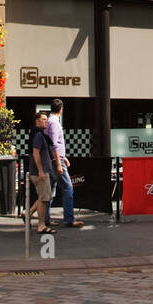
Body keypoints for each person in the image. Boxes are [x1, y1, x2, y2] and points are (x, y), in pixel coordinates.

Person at [46, 98, 84, 228]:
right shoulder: (54, 123)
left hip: (54, 159)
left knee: (50, 190)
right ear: (61, 109)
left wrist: (63, 157)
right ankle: (69, 218)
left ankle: (45, 218)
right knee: (68, 187)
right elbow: (54, 145)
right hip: (55, 160)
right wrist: (58, 162)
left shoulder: (50, 121)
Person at [25, 110, 57, 231]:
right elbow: (36, 153)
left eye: (46, 120)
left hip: (43, 171)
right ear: (37, 122)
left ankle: (27, 213)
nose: (46, 122)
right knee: (44, 199)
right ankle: (41, 225)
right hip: (40, 172)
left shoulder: (42, 135)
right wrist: (41, 171)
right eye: (43, 120)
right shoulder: (38, 135)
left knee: (45, 197)